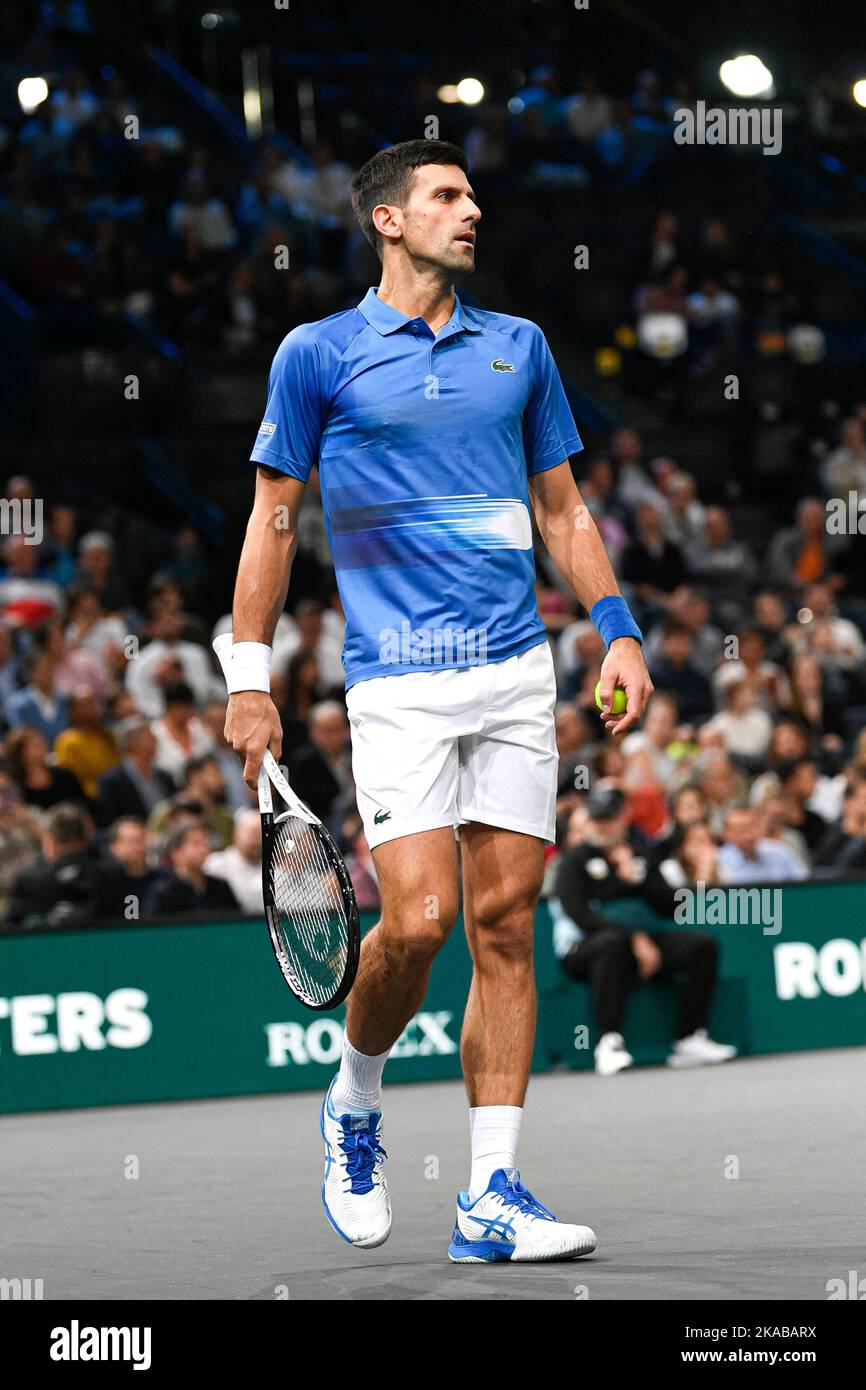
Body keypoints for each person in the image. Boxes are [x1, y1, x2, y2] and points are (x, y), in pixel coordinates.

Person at [221, 139, 653, 1262]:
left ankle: (489, 1196)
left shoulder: (520, 348)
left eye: (471, 194)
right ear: (387, 221)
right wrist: (249, 676)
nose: (473, 211)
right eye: (446, 197)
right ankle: (354, 1098)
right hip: (399, 682)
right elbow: (273, 520)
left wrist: (616, 632)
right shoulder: (316, 356)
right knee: (414, 922)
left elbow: (561, 513)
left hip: (516, 671)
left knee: (504, 926)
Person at [553, 787, 737, 1076]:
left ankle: (689, 1038)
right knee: (611, 943)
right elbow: (579, 913)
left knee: (702, 946)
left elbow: (670, 906)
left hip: (643, 941)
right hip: (584, 948)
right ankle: (609, 1041)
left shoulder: (641, 855)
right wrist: (634, 936)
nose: (603, 826)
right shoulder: (574, 860)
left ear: (622, 819)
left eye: (609, 819)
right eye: (597, 819)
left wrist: (636, 877)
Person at [144, 820, 240, 916]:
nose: (203, 849)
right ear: (176, 852)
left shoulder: (221, 887)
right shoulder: (163, 893)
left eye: (205, 843)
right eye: (196, 843)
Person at [716, 806, 808, 884]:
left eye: (751, 827)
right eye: (741, 830)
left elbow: (805, 883)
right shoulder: (719, 860)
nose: (748, 836)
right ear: (727, 834)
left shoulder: (780, 851)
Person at [204, 809, 263, 913]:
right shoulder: (214, 864)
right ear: (236, 834)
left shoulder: (275, 867)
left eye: (261, 835)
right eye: (252, 834)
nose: (257, 841)